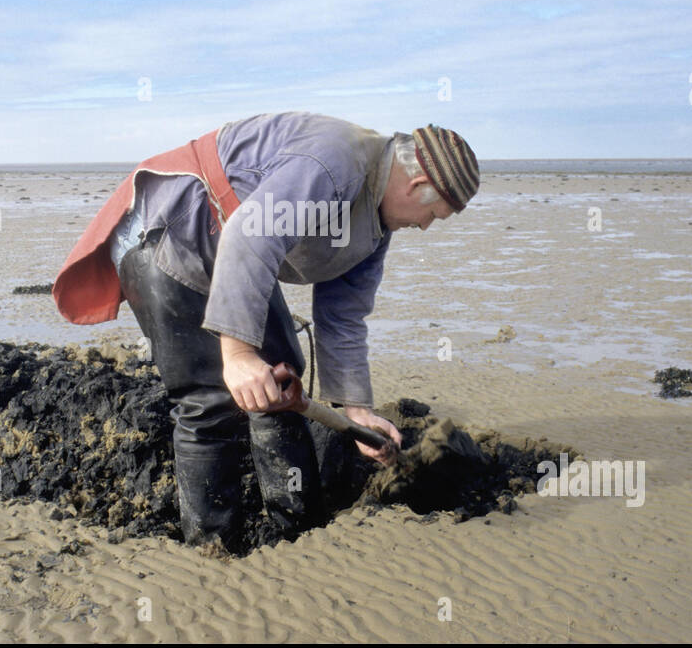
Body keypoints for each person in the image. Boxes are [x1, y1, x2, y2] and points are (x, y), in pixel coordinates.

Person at [53, 111, 479, 551]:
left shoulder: (375, 226)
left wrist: (357, 411)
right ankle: (211, 551)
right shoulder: (335, 161)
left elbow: (344, 316)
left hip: (234, 246)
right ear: (414, 186)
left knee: (279, 382)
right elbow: (250, 235)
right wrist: (237, 357)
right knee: (209, 401)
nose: (426, 226)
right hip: (171, 228)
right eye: (433, 214)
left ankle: (299, 536)